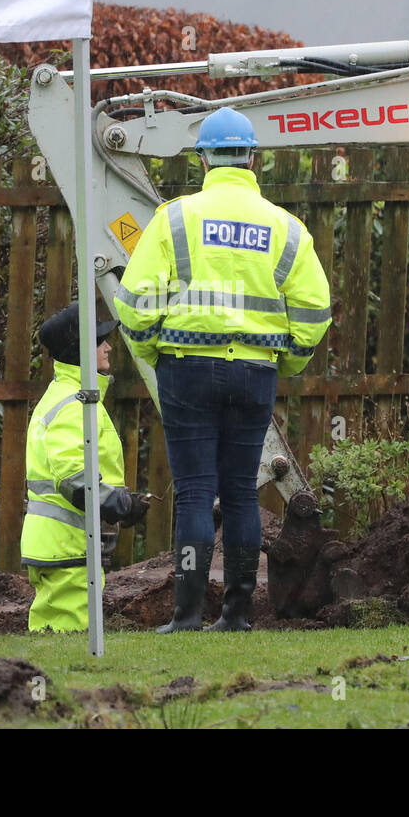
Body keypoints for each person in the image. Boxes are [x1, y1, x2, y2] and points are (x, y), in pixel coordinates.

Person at [114, 107, 331, 632]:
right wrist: (286, 359)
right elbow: (314, 311)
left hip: (186, 369)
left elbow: (135, 303)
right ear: (253, 158)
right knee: (239, 493)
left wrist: (153, 351)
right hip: (254, 375)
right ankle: (237, 614)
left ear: (203, 159)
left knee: (194, 491)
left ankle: (187, 614)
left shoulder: (174, 219)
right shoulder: (286, 227)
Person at [20, 302, 148, 632]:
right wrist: (120, 504)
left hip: (59, 544)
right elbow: (74, 478)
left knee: (51, 637)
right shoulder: (74, 404)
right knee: (71, 638)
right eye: (99, 341)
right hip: (68, 544)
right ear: (79, 351)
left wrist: (120, 503)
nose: (108, 347)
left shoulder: (68, 396)